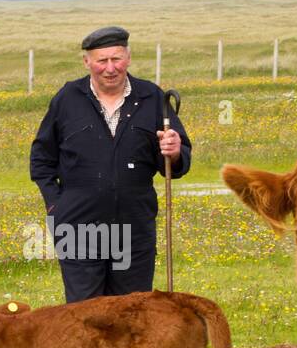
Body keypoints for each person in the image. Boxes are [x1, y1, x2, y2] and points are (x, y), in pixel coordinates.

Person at [29, 26, 191, 303]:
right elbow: (41, 160)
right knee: (85, 315)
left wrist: (174, 152)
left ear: (128, 58)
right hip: (77, 228)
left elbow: (178, 160)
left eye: (116, 59)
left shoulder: (151, 97)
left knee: (131, 311)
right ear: (87, 62)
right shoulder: (68, 99)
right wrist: (57, 205)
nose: (110, 68)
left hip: (134, 229)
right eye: (102, 60)